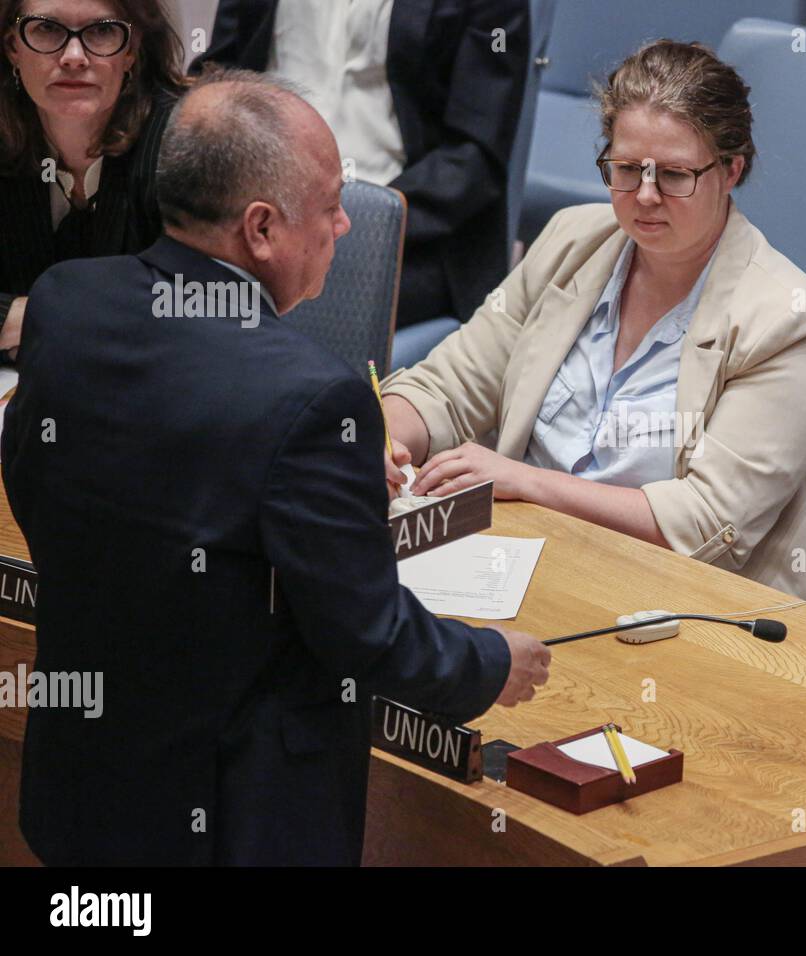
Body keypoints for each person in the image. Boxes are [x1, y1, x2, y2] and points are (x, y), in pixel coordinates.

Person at [1, 68, 550, 866]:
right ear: (261, 228)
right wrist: (493, 661)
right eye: (330, 205)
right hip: (232, 821)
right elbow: (369, 637)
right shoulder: (314, 400)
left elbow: (34, 483)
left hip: (80, 793)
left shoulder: (65, 302)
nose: (344, 226)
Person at [380, 41, 806, 627]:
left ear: (731, 171)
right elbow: (446, 385)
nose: (644, 196)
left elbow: (704, 524)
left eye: (673, 175)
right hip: (531, 569)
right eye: (626, 170)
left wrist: (527, 483)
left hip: (712, 610)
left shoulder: (790, 320)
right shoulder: (572, 240)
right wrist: (384, 439)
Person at [192, 0, 529, 331]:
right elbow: (216, 78)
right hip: (254, 203)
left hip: (405, 227)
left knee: (258, 306)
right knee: (173, 280)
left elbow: (474, 157)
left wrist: (358, 222)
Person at [0, 0, 187, 362]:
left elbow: (208, 304)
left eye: (101, 31)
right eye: (47, 29)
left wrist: (41, 315)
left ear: (131, 50)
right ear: (12, 48)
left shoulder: (183, 145)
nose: (73, 56)